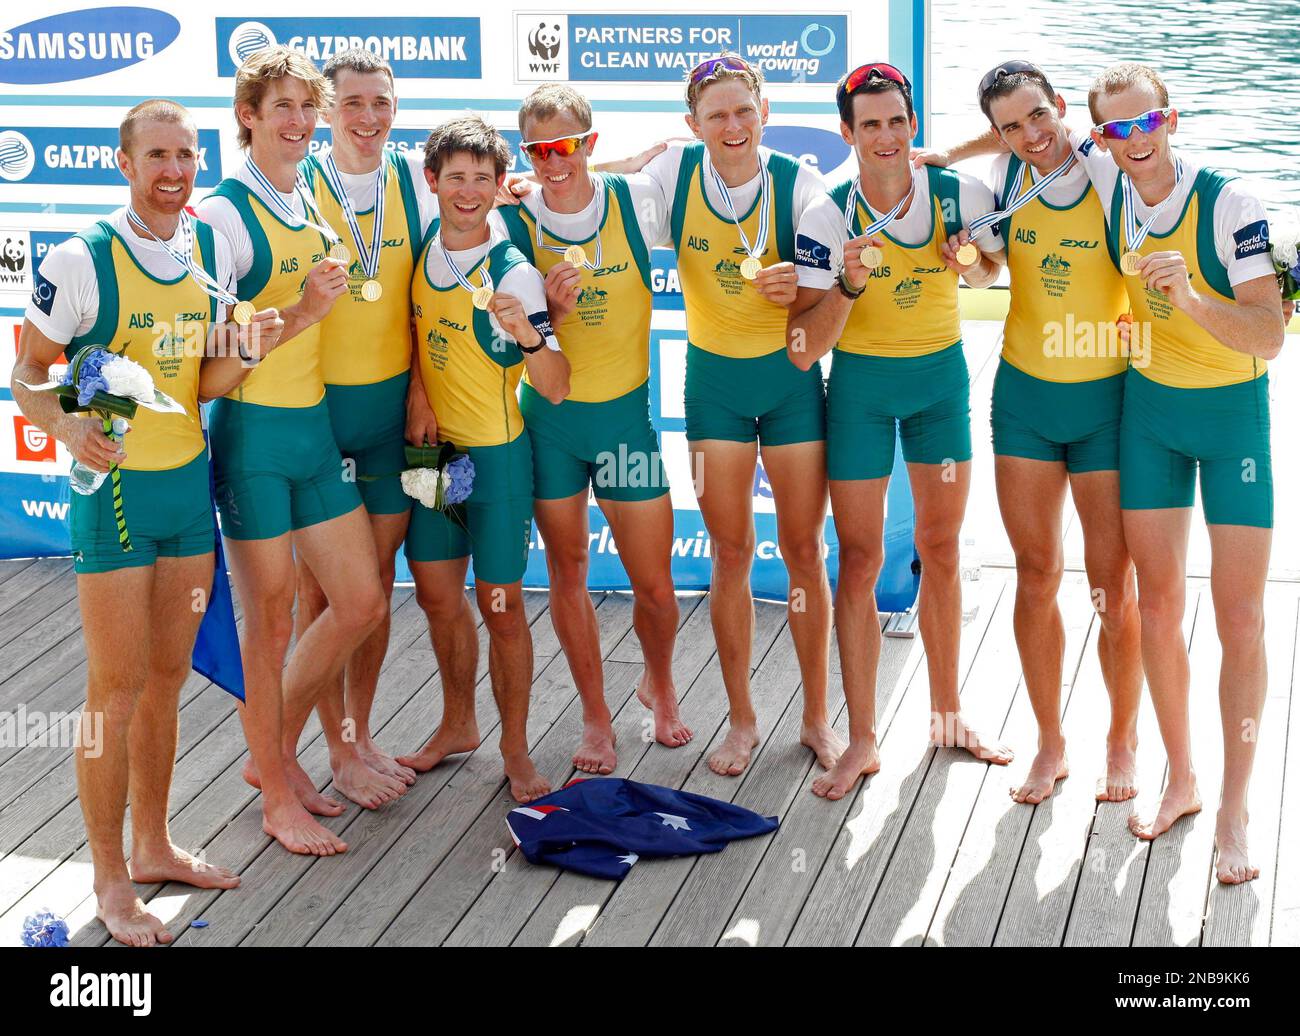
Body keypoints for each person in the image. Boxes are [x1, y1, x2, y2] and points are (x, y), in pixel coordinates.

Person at [11, 99, 284, 943]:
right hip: (115, 506)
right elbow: (25, 373)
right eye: (158, 155)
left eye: (188, 156)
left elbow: (198, 386)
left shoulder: (208, 247)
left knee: (166, 682)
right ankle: (107, 878)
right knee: (114, 692)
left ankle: (156, 843)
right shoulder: (82, 257)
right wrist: (60, 424)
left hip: (184, 498)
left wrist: (247, 353)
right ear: (124, 163)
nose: (175, 172)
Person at [917, 61, 1144, 805]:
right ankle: (1050, 742)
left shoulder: (1111, 175)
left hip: (1106, 401)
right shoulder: (1002, 186)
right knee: (1038, 572)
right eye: (1010, 126)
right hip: (1024, 403)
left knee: (1113, 584)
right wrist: (969, 261)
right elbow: (986, 275)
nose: (1030, 135)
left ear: (1060, 108)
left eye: (1038, 116)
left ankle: (1122, 739)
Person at [786, 62, 1012, 801]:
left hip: (939, 390)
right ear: (847, 134)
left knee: (940, 549)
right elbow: (804, 346)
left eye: (897, 121)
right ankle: (862, 739)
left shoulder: (960, 193)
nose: (886, 136)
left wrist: (971, 262)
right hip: (859, 395)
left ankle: (948, 717)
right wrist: (848, 285)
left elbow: (989, 273)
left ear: (913, 125)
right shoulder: (826, 216)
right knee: (857, 556)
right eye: (870, 125)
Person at [1083, 64, 1285, 883]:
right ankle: (1184, 777)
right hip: (1151, 418)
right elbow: (1023, 129)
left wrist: (1193, 295)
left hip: (1232, 420)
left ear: (1172, 119)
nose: (1133, 143)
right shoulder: (1106, 187)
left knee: (1239, 617)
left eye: (1145, 125)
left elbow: (1271, 335)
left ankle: (1236, 806)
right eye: (1114, 131)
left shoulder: (1234, 203)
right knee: (1158, 606)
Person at [196, 46, 389, 856]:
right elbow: (207, 367)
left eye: (308, 108)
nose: (300, 122)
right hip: (253, 440)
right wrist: (305, 314)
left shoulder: (305, 188)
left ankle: (269, 754)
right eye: (282, 108)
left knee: (361, 602)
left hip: (311, 430)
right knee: (269, 621)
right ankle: (277, 791)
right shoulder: (221, 213)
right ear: (247, 115)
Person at [636, 53, 846, 777]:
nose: (732, 125)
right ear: (692, 124)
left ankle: (818, 717)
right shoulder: (671, 176)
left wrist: (802, 290)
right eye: (716, 114)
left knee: (803, 552)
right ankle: (743, 719)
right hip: (714, 387)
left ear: (765, 114)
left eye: (743, 111)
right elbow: (595, 213)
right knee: (729, 553)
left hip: (789, 382)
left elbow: (835, 299)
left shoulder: (802, 185)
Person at [495, 84, 690, 776]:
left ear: (590, 145)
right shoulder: (513, 220)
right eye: (539, 150)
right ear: (525, 153)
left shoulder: (635, 199)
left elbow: (705, 156)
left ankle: (659, 683)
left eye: (567, 146)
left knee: (657, 587)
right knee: (568, 570)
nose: (554, 162)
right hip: (549, 424)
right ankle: (596, 717)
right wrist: (543, 305)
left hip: (623, 427)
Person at [398, 115, 570, 803]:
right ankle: (458, 724)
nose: (468, 192)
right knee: (438, 597)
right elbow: (417, 335)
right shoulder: (421, 251)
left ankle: (517, 749)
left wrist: (528, 334)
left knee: (500, 607)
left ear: (502, 187)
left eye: (482, 179)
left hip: (495, 462)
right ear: (433, 182)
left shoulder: (515, 273)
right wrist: (418, 397)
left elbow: (555, 386)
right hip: (433, 455)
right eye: (456, 178)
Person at [292, 48, 435, 806]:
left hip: (389, 416)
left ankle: (360, 732)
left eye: (381, 102)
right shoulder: (297, 182)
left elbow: (427, 295)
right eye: (353, 103)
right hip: (318, 415)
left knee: (376, 587)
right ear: (324, 111)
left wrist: (420, 389)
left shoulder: (416, 177)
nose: (370, 117)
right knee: (319, 597)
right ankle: (319, 751)